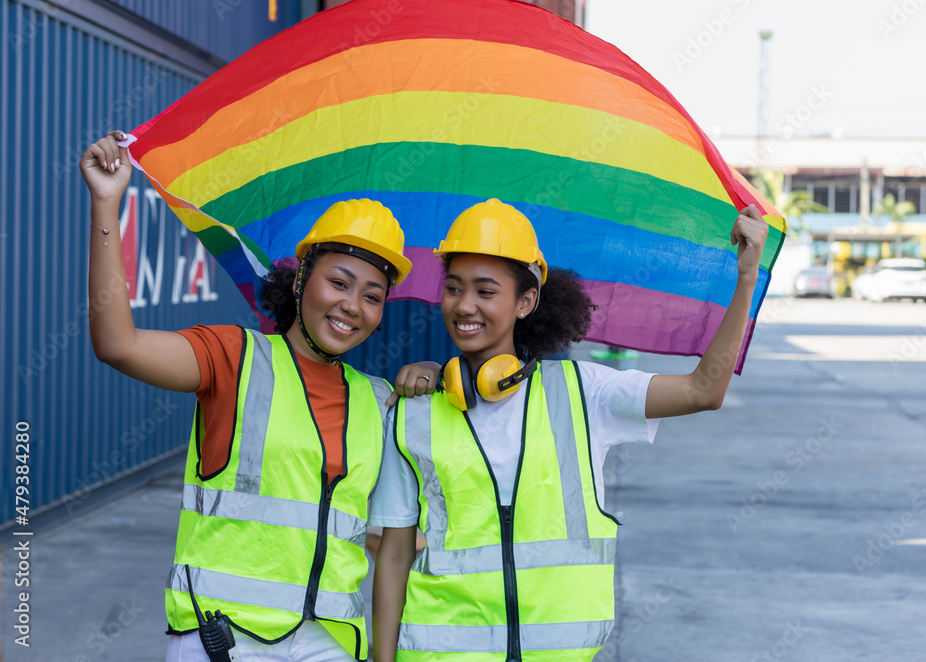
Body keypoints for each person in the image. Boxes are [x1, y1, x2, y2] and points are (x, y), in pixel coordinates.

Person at [81, 131, 440, 662]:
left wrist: (440, 375)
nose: (352, 306)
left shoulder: (380, 401)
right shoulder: (233, 356)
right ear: (300, 282)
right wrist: (106, 204)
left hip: (332, 641)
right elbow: (118, 345)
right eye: (338, 283)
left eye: (372, 296)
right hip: (225, 640)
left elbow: (384, 539)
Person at [370, 198, 769, 661]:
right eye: (454, 289)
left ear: (526, 301)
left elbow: (703, 390)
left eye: (485, 291)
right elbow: (395, 555)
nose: (464, 306)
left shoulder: (585, 393)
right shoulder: (414, 411)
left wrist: (746, 277)